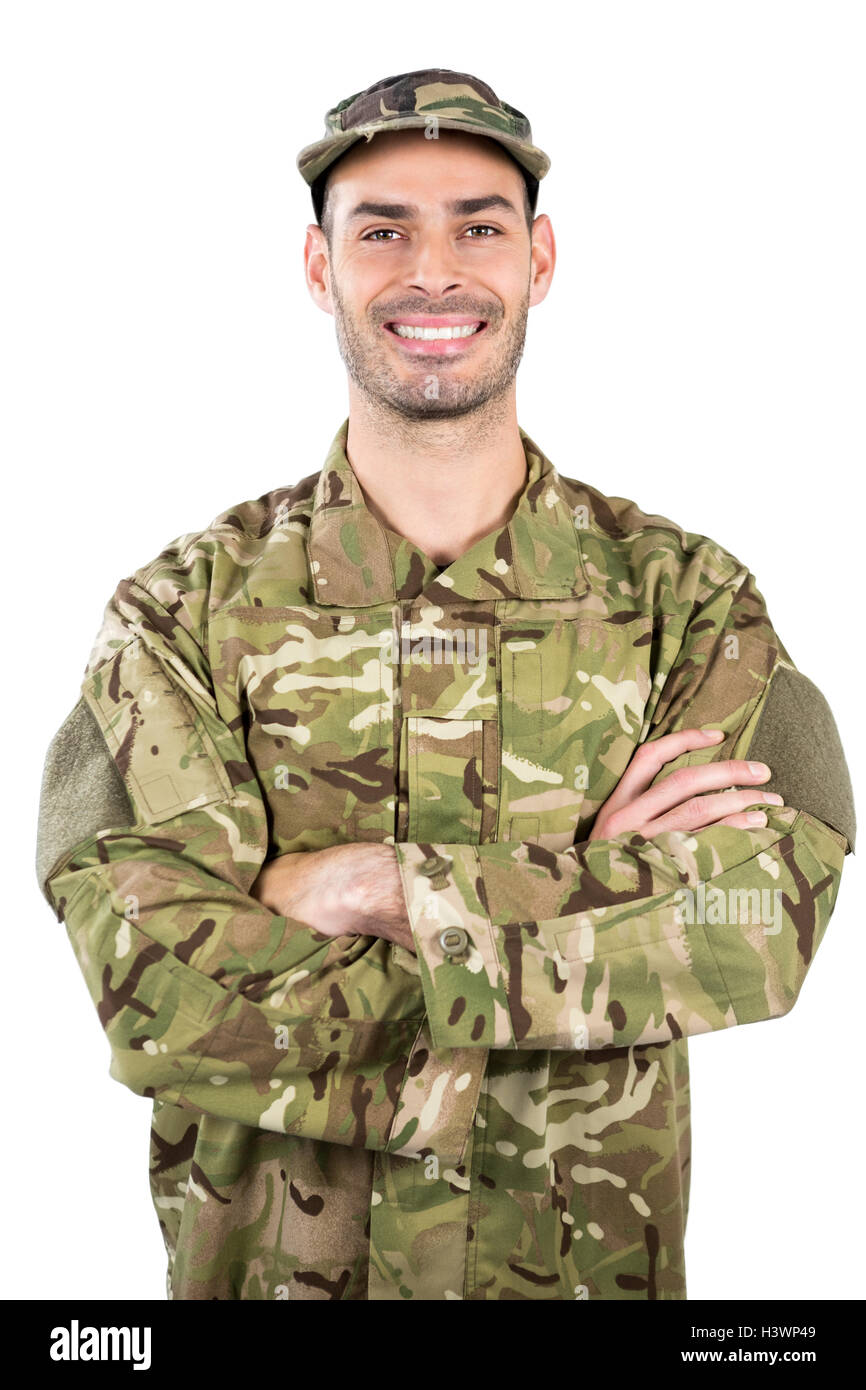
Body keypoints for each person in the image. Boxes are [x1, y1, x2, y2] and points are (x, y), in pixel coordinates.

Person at [35, 68, 855, 1301]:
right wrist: (594, 908)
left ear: (538, 258)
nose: (434, 272)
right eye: (383, 231)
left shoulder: (684, 599)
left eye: (478, 225)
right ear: (319, 267)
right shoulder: (179, 613)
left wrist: (363, 887)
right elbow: (152, 982)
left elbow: (758, 924)